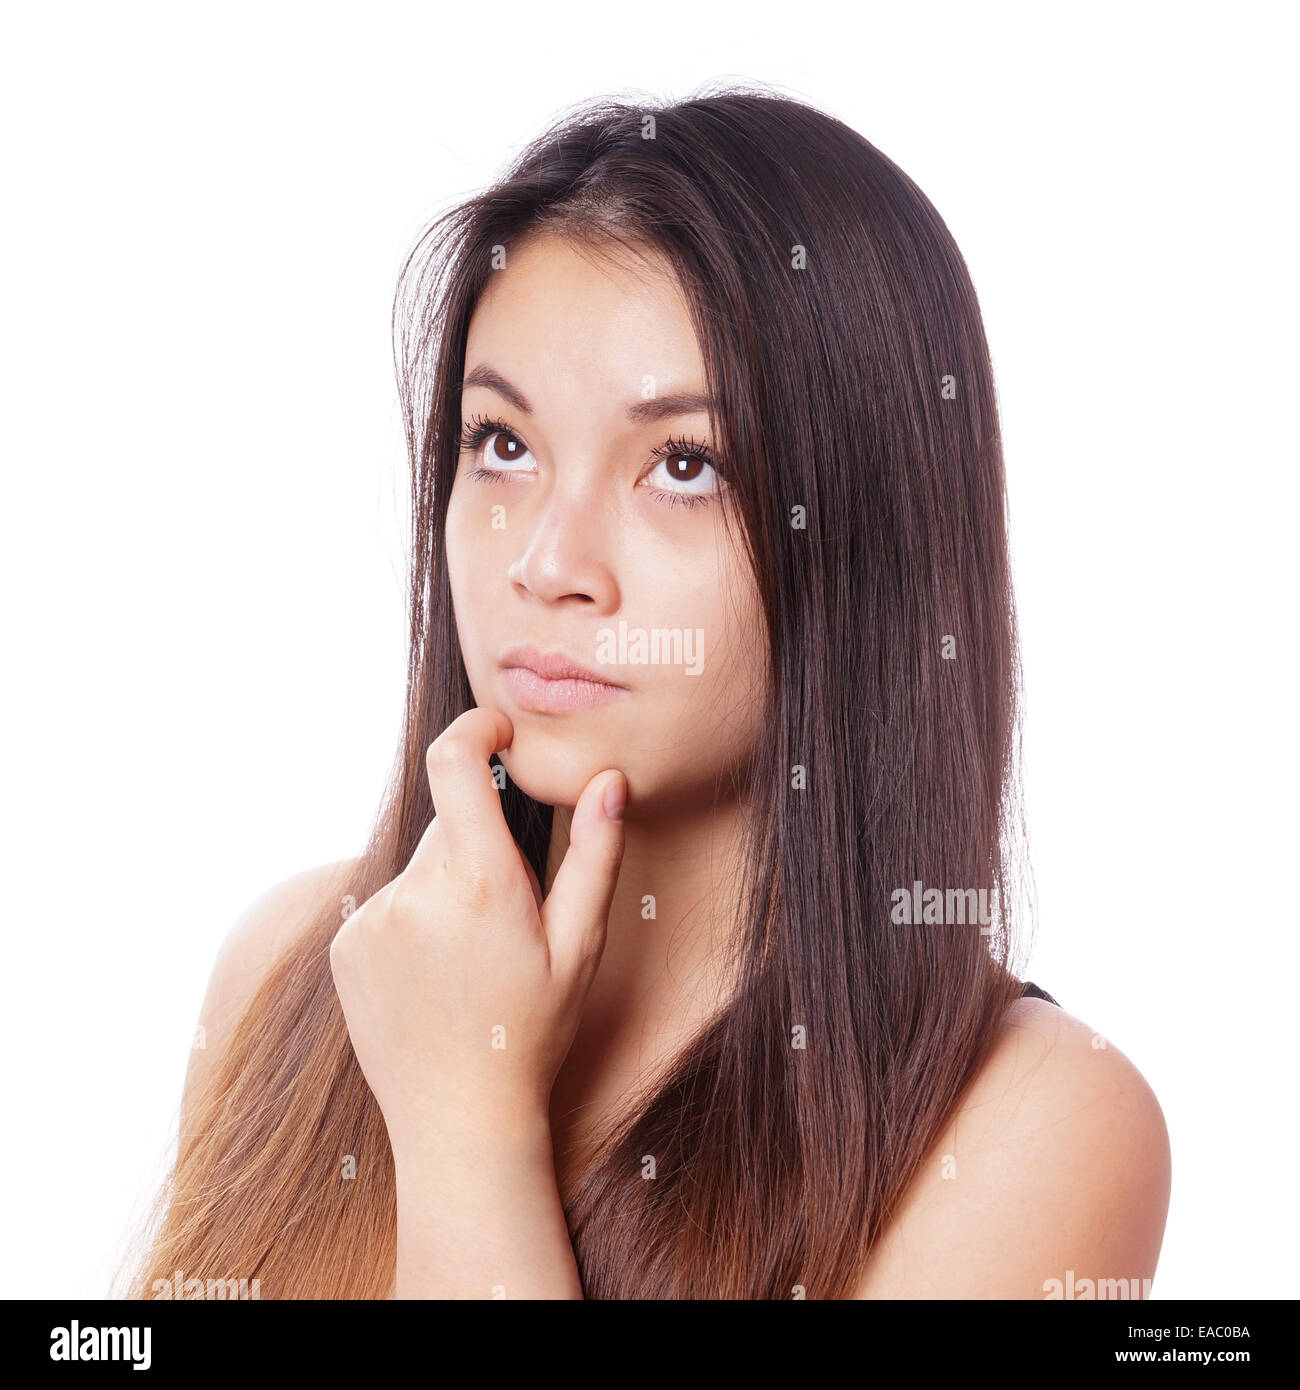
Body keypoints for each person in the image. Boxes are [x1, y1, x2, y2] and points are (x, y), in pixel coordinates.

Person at [123, 88, 1170, 1300]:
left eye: (682, 465)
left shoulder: (1034, 1122)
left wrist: (467, 1126)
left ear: (865, 537)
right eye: (501, 443)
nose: (548, 562)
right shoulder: (303, 962)